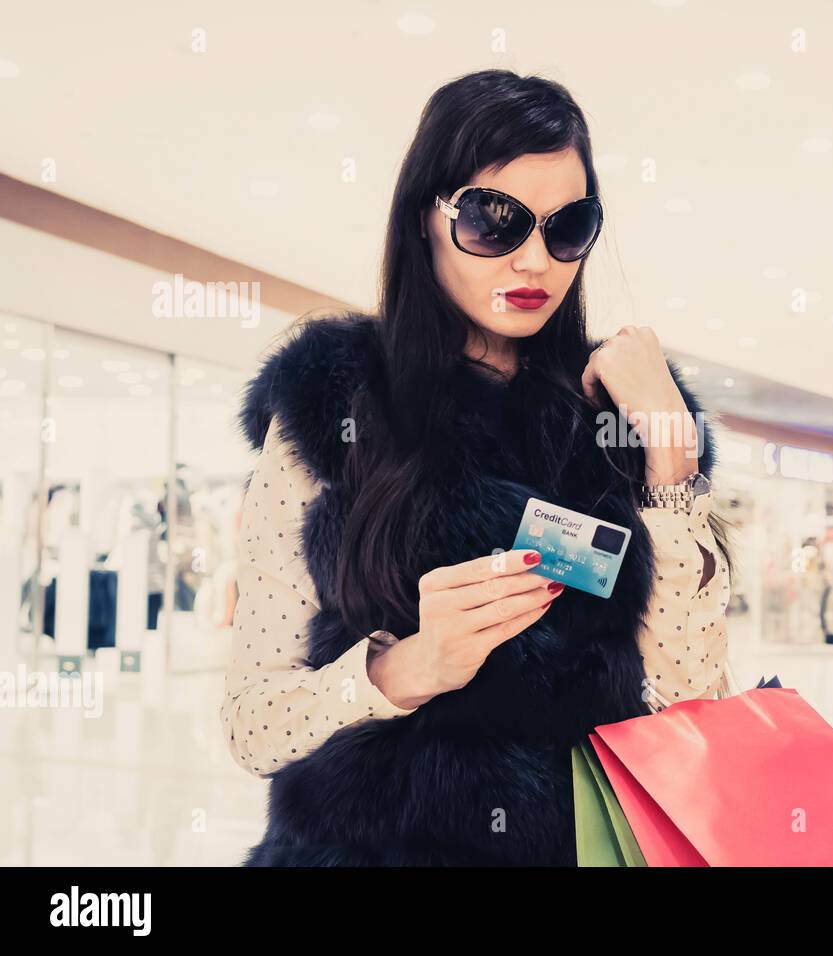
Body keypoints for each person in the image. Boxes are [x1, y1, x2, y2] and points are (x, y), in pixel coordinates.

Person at [220, 69, 733, 866]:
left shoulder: (621, 414)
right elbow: (254, 725)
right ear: (425, 217)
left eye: (567, 227)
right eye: (496, 220)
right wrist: (406, 668)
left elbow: (695, 700)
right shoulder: (330, 402)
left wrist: (670, 456)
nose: (534, 261)